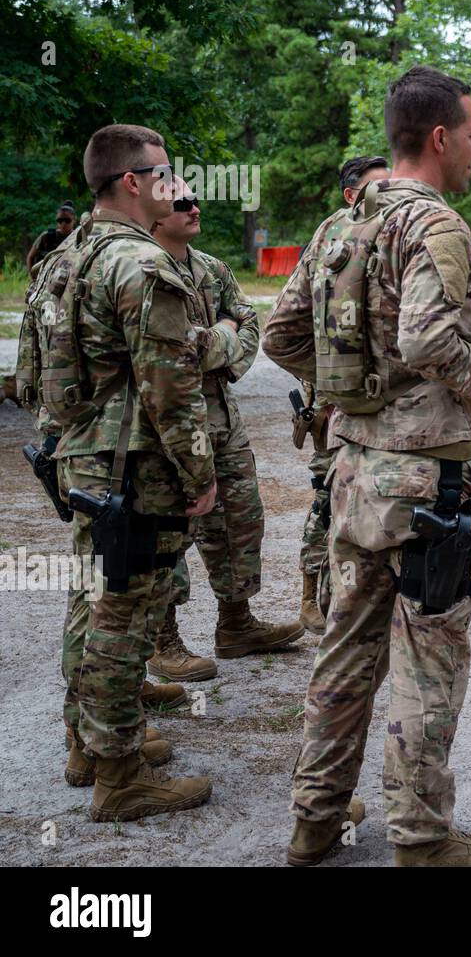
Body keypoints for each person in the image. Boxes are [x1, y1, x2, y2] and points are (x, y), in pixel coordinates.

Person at [264, 66, 471, 868]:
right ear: (440, 138)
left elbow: (281, 339)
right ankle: (421, 838)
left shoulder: (343, 227)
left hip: (355, 473)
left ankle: (314, 817)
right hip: (427, 482)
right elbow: (430, 342)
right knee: (428, 659)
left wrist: (353, 397)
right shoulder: (437, 226)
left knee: (346, 646)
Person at [46, 124, 217, 820]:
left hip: (86, 457)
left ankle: (86, 743)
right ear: (132, 182)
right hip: (135, 467)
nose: (173, 187)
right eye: (164, 174)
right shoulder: (140, 265)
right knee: (125, 612)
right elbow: (170, 387)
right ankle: (120, 778)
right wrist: (200, 473)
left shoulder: (68, 253)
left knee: (92, 600)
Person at [146, 192, 303, 682]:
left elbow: (249, 323)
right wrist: (219, 336)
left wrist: (217, 344)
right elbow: (177, 351)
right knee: (167, 531)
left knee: (239, 517)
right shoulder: (142, 271)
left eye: (196, 201)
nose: (194, 209)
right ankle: (163, 638)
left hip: (221, 419)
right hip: (166, 423)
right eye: (182, 203)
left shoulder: (212, 269)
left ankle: (236, 623)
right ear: (152, 211)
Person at [290, 155, 391, 633]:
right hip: (334, 395)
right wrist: (328, 378)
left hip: (377, 390)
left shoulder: (392, 231)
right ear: (351, 195)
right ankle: (310, 593)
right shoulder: (332, 237)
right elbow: (287, 329)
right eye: (377, 188)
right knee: (326, 491)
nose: (387, 195)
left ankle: (359, 593)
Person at [26, 201, 77, 275]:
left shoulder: (78, 237)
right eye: (60, 220)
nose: (63, 224)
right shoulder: (47, 236)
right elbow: (30, 257)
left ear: (74, 220)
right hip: (47, 276)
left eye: (67, 220)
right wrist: (32, 276)